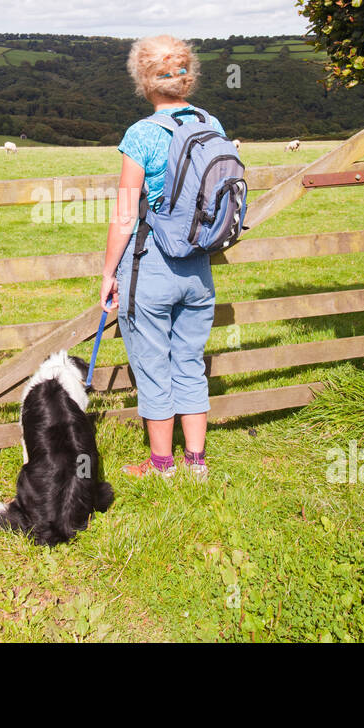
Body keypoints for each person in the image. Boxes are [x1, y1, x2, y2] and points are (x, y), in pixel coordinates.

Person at [99, 35, 225, 479]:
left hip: (150, 265)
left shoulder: (143, 133)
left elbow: (125, 214)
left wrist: (108, 273)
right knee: (189, 361)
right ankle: (196, 461)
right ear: (187, 79)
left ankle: (161, 464)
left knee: (154, 366)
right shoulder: (212, 125)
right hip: (199, 268)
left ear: (143, 81)